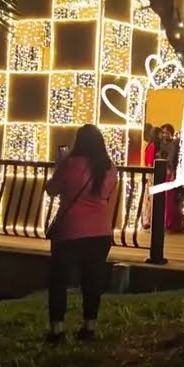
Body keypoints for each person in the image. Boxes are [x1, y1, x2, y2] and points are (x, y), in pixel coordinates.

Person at [43, 124, 118, 343]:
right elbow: (109, 198)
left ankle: (56, 330)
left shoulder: (69, 165)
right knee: (92, 281)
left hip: (71, 232)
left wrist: (58, 166)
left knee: (58, 281)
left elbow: (51, 189)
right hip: (101, 232)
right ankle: (89, 327)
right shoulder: (109, 168)